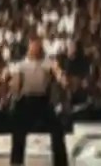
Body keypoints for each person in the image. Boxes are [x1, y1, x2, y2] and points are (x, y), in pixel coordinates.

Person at [8, 36, 69, 166]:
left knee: (57, 130)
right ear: (29, 47)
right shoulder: (21, 65)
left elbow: (59, 75)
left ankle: (61, 163)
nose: (36, 48)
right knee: (18, 131)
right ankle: (16, 162)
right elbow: (16, 85)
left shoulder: (48, 63)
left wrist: (61, 78)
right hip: (26, 101)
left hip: (43, 101)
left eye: (38, 45)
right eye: (33, 45)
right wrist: (14, 93)